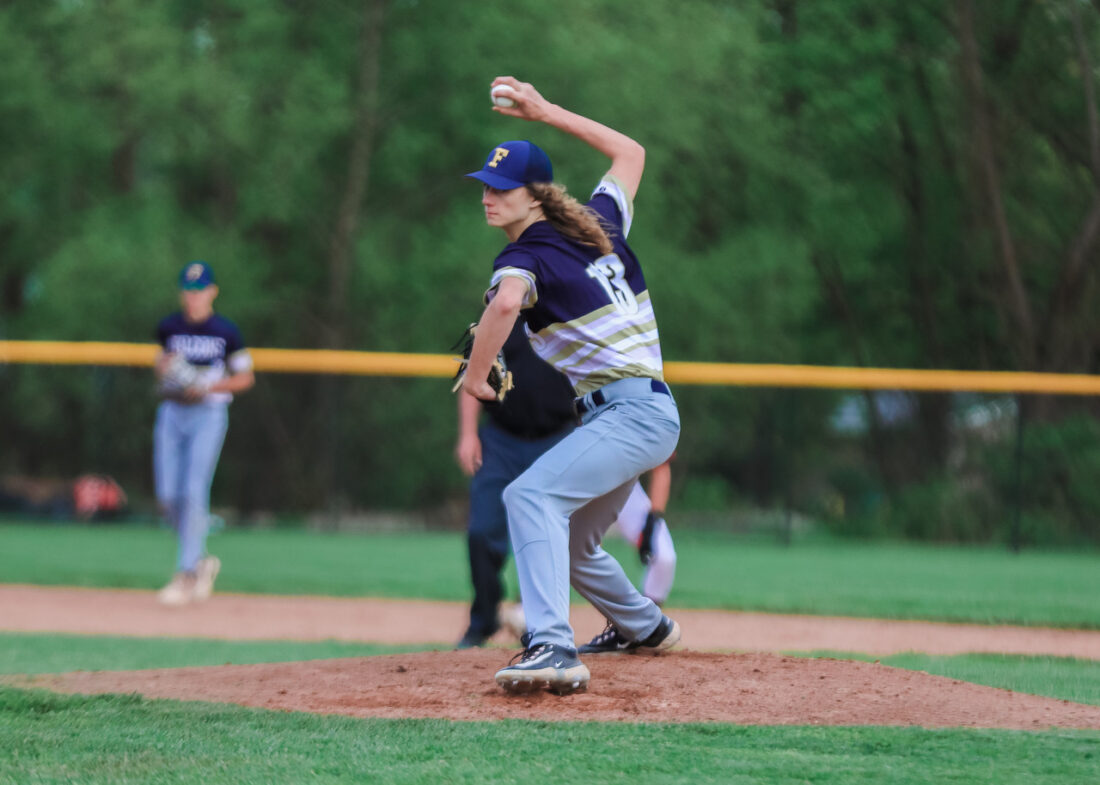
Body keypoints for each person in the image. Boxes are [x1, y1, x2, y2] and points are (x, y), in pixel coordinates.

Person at [460, 76, 681, 695]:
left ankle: (551, 646)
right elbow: (630, 153)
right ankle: (645, 626)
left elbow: (505, 304)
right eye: (485, 185)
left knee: (529, 499)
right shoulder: (597, 224)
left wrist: (477, 377)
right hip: (642, 416)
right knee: (579, 543)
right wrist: (546, 112)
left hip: (628, 418)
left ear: (534, 196)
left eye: (502, 189)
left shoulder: (525, 257)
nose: (489, 197)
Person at [453, 319, 577, 649]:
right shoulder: (501, 319)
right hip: (501, 441)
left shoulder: (570, 318)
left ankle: (536, 625)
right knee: (482, 531)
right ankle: (484, 620)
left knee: (545, 536)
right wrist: (467, 435)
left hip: (556, 438)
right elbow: (472, 374)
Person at [153, 261, 254, 606]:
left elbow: (245, 377)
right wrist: (169, 371)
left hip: (208, 413)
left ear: (212, 291)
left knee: (194, 489)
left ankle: (186, 574)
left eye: (199, 290)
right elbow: (160, 365)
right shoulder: (169, 326)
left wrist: (208, 385)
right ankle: (200, 561)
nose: (193, 296)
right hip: (172, 411)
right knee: (169, 495)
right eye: (188, 289)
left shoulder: (226, 331)